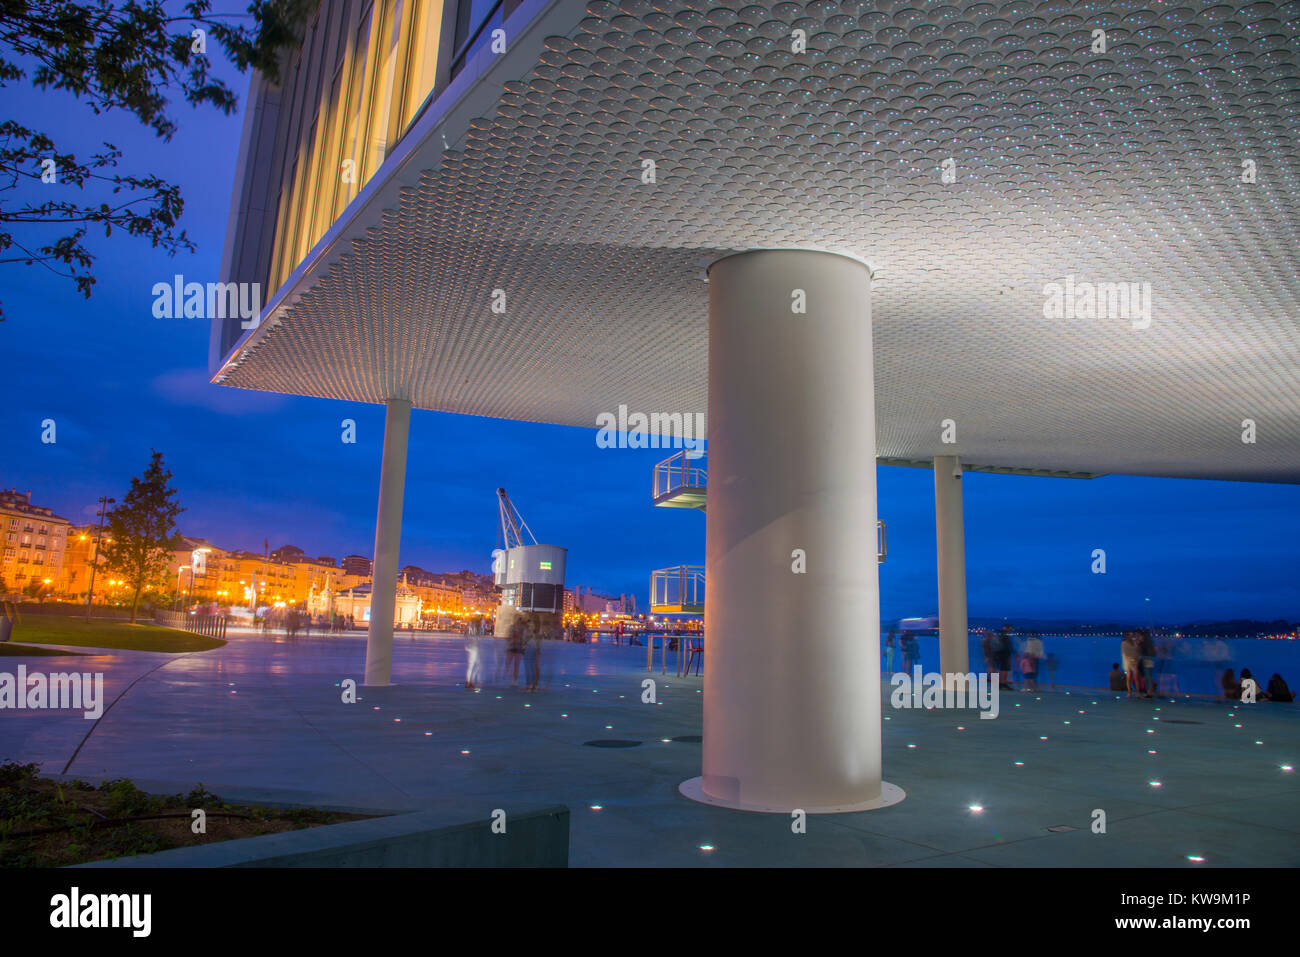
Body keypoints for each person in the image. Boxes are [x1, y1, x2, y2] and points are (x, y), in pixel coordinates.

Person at [1138, 629, 1157, 698]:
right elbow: (1154, 651)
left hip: (1145, 659)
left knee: (1147, 676)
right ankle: (1150, 690)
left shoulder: (1142, 643)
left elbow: (1140, 652)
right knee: (1149, 676)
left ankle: (1149, 692)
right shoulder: (1151, 642)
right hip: (1150, 660)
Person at [1120, 632, 1140, 698]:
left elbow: (1137, 651)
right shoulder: (1124, 643)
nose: (1131, 636)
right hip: (1127, 661)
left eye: (1132, 635)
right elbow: (1125, 653)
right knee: (1128, 678)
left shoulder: (1134, 643)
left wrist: (1136, 659)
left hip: (1134, 661)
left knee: (1136, 678)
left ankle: (1137, 693)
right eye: (1130, 635)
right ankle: (1129, 692)